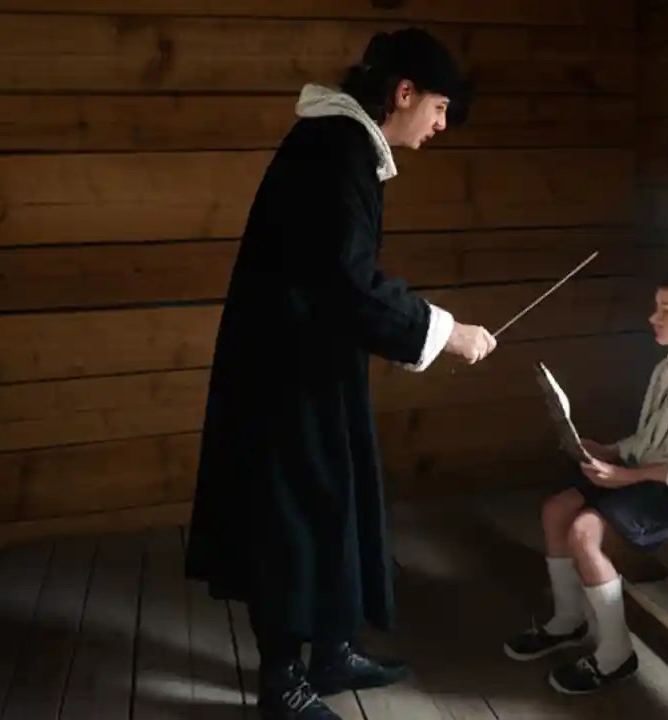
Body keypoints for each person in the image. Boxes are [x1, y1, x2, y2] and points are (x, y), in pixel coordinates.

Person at [183, 28, 496, 720]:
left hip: (310, 364)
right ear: (405, 93)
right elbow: (345, 281)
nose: (441, 126)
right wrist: (446, 332)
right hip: (284, 374)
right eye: (439, 108)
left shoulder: (345, 147)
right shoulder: (335, 149)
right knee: (291, 520)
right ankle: (282, 681)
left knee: (332, 506)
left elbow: (339, 279)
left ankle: (328, 652)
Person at [502, 259, 668, 695]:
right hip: (650, 476)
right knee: (557, 509)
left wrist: (623, 476)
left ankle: (615, 655)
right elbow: (652, 439)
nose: (653, 318)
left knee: (585, 532)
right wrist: (609, 452)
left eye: (667, 310)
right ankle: (567, 621)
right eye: (655, 307)